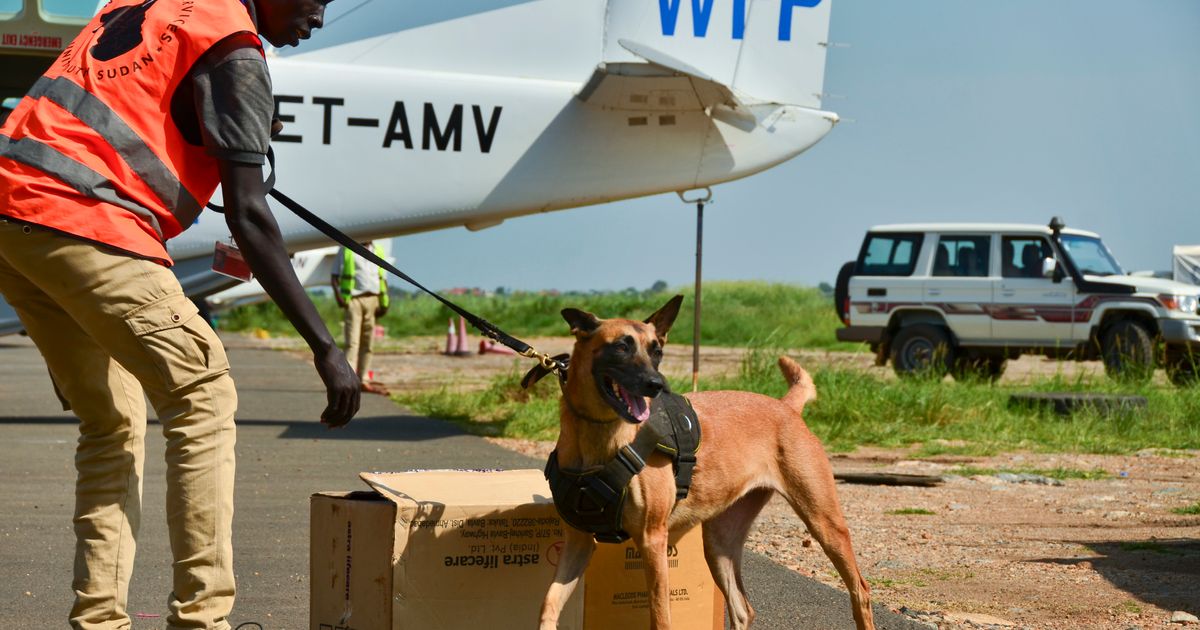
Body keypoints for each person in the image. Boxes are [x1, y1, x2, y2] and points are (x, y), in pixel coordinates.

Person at [0, 1, 359, 628]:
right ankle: (202, 619)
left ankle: (99, 620)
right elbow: (249, 215)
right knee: (203, 392)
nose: (319, 18)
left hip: (15, 215)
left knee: (112, 419)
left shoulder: (163, 5)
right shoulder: (234, 48)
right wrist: (326, 348)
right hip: (84, 217)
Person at [331, 241, 390, 393]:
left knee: (368, 343)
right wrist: (339, 298)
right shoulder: (346, 250)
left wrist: (384, 302)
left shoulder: (379, 250)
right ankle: (349, 380)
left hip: (373, 299)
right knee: (352, 342)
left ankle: (363, 379)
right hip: (354, 300)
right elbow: (334, 276)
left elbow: (382, 278)